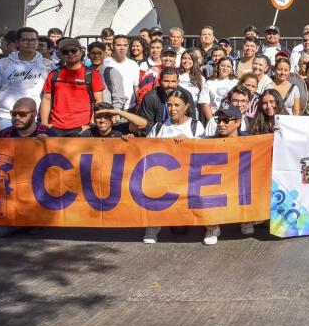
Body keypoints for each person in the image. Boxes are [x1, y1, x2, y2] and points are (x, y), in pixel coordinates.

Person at [143, 87, 218, 245]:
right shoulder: (159, 127)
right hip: (164, 178)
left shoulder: (196, 127)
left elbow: (206, 152)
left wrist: (190, 142)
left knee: (205, 194)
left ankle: (211, 227)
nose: (172, 109)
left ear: (186, 106)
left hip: (192, 177)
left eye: (177, 105)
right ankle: (153, 226)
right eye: (169, 105)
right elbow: (146, 149)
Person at [0, 27, 49, 134]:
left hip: (34, 119)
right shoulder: (3, 64)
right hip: (5, 118)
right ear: (17, 42)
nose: (29, 43)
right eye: (25, 40)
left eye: (33, 40)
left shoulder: (47, 65)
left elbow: (50, 96)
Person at [38, 38, 105, 136]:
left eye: (73, 50)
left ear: (81, 51)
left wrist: (91, 124)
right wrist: (44, 124)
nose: (70, 54)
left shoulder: (92, 74)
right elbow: (46, 99)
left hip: (82, 128)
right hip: (55, 127)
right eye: (65, 51)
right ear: (61, 54)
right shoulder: (54, 74)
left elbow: (99, 100)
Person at [86, 41, 128, 113]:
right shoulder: (85, 73)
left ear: (104, 55)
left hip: (107, 114)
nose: (96, 56)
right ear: (88, 55)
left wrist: (114, 114)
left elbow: (118, 96)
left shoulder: (111, 72)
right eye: (93, 53)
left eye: (99, 53)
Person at [79, 102, 145, 139]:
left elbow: (143, 124)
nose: (102, 120)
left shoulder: (120, 128)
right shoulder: (88, 133)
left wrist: (118, 112)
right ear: (94, 119)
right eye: (98, 117)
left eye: (107, 116)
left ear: (113, 118)